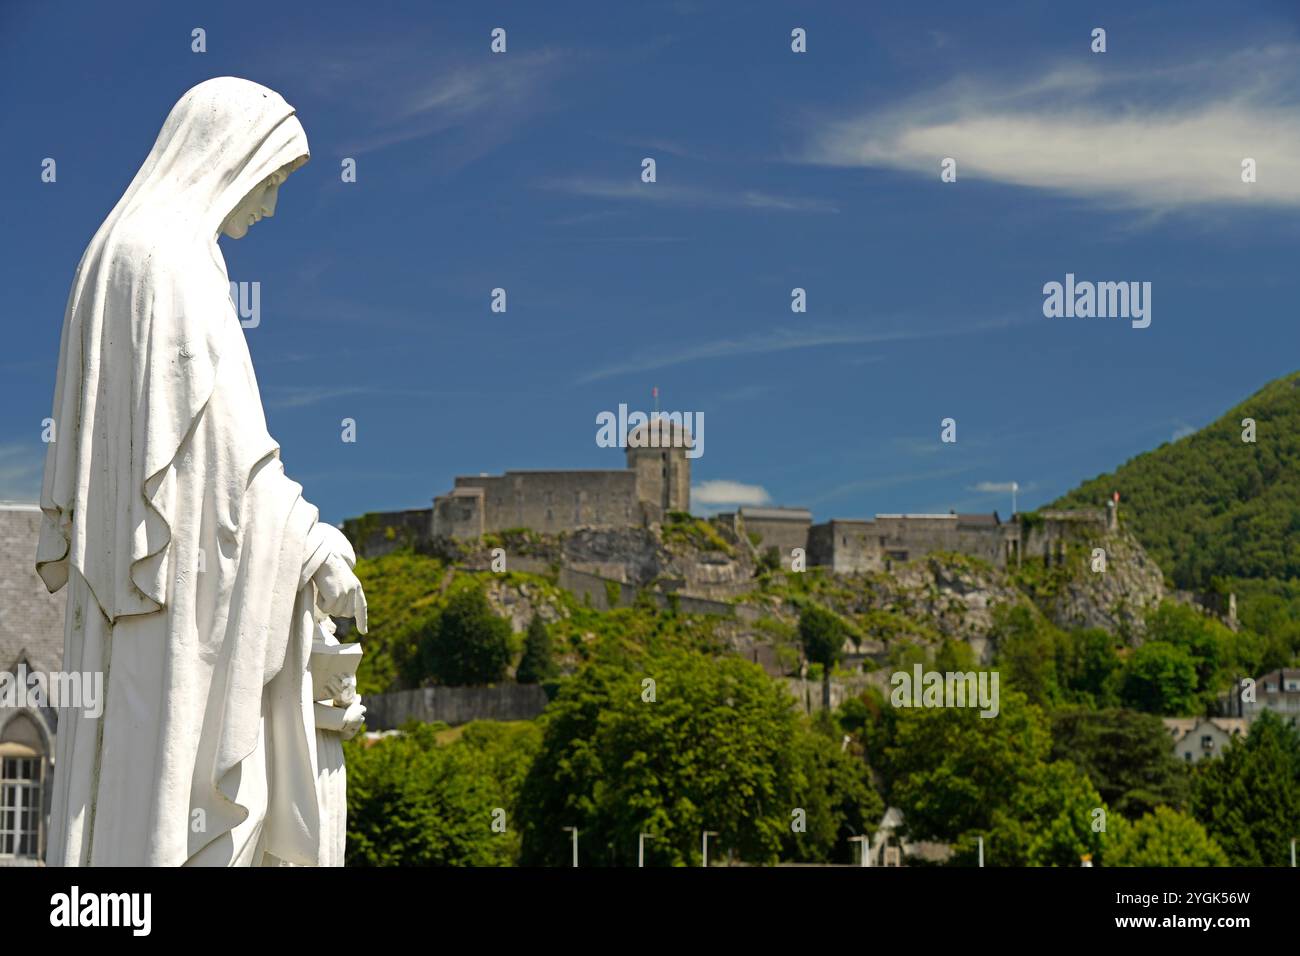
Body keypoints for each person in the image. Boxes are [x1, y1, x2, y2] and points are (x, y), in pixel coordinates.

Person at [36, 77, 366, 866]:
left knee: (121, 785)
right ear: (229, 155)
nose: (271, 205)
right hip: (176, 593)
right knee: (170, 785)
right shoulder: (178, 259)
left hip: (128, 589)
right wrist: (315, 548)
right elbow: (227, 459)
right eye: (273, 179)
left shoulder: (112, 252)